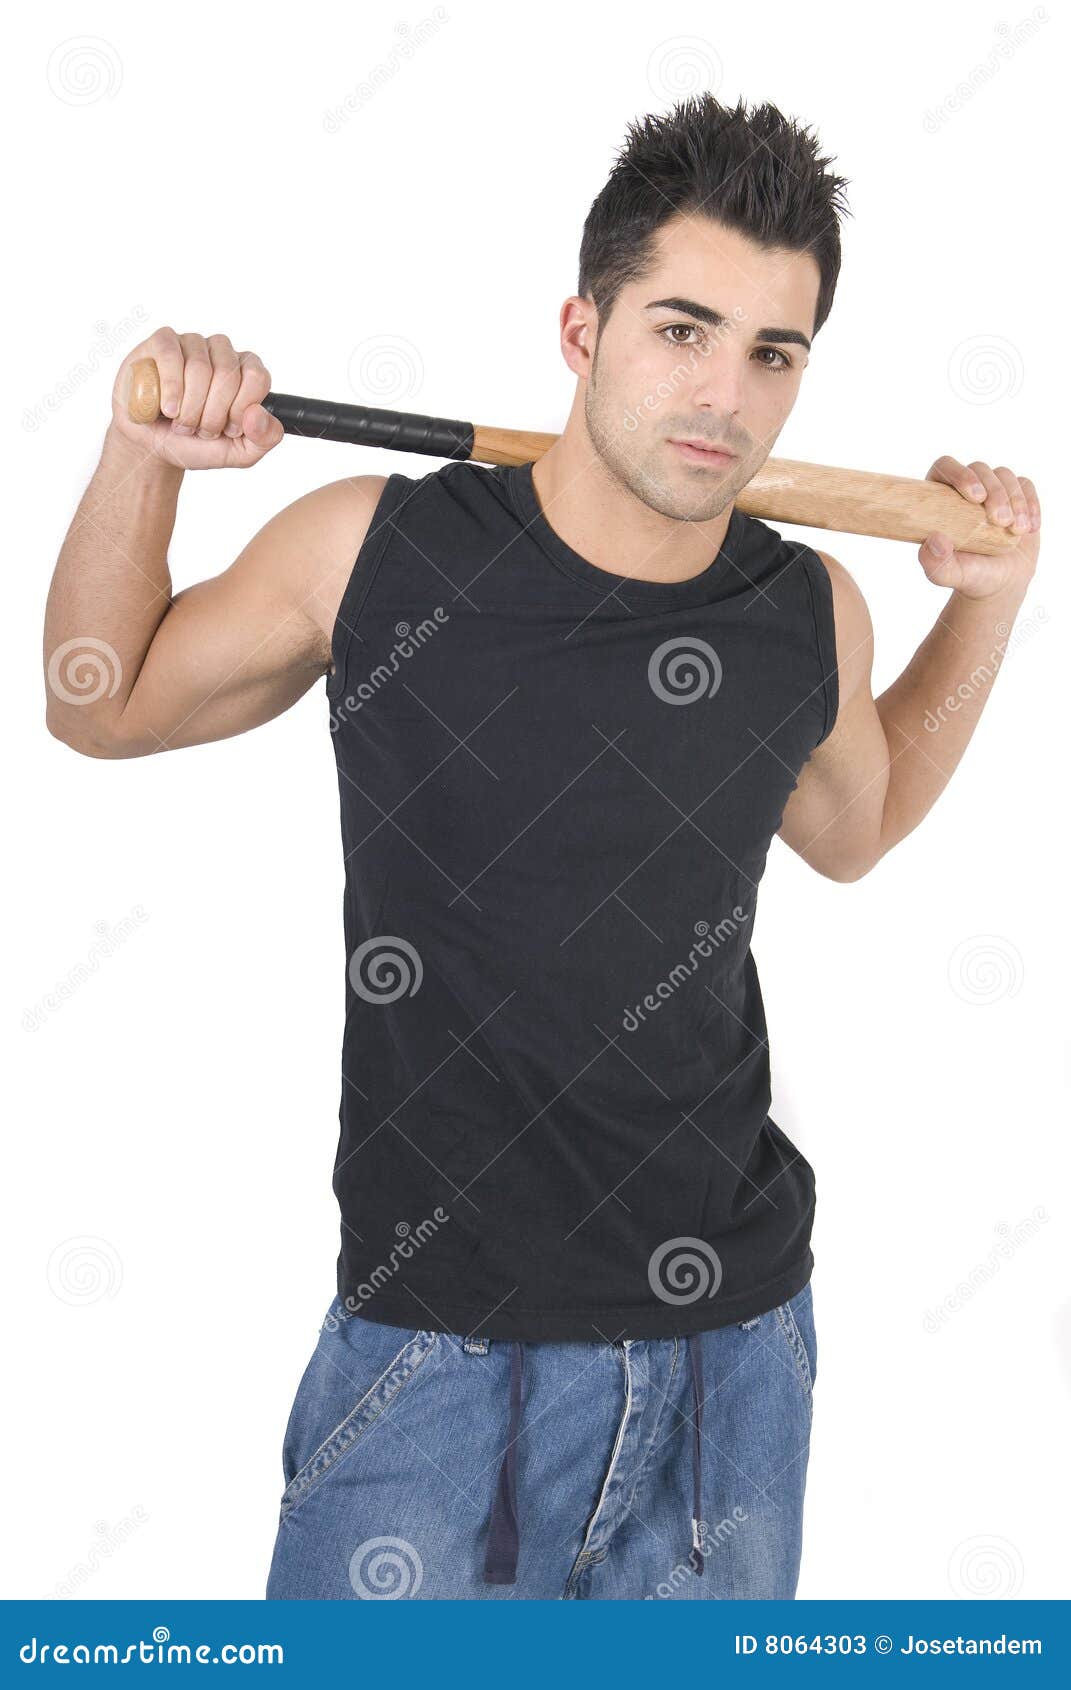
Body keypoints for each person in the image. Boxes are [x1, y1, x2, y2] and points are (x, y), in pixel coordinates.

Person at [43, 94, 1040, 1601]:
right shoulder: (376, 551)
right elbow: (98, 706)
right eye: (683, 331)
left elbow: (861, 827)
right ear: (582, 331)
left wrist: (989, 605)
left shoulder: (804, 609)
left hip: (726, 1354)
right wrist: (146, 459)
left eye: (773, 353)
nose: (725, 395)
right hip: (429, 1343)